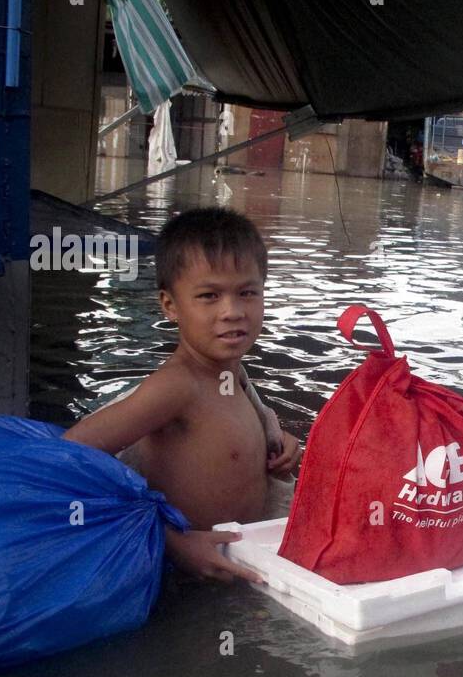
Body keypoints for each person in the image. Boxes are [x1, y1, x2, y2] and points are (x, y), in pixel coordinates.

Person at [63, 208, 301, 582]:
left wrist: (275, 443)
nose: (232, 311)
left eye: (247, 293)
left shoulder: (234, 376)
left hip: (239, 564)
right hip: (182, 576)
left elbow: (228, 442)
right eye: (209, 295)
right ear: (171, 306)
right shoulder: (176, 387)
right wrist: (173, 541)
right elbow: (70, 455)